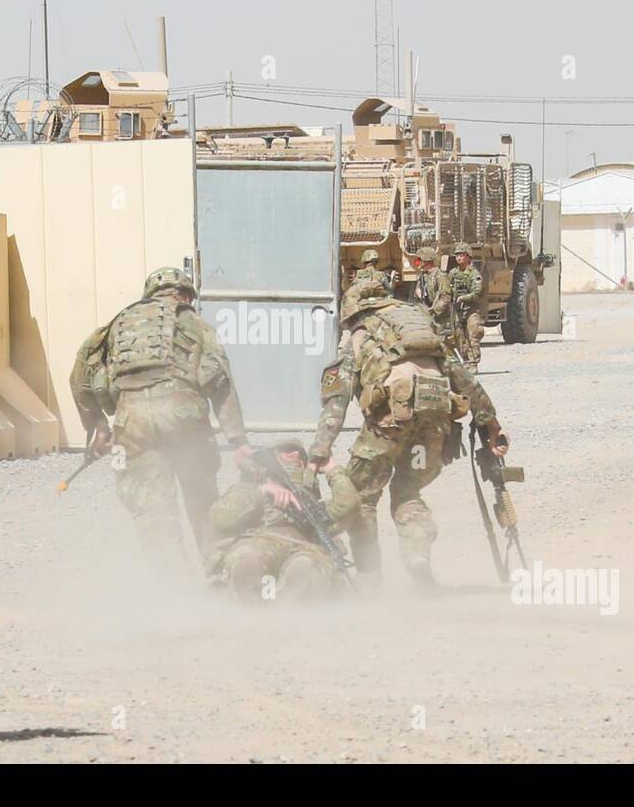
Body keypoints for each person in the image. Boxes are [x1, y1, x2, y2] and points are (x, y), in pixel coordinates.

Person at [309, 279, 505, 590]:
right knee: (408, 494)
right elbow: (464, 379)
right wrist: (491, 425)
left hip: (389, 421)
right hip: (436, 419)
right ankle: (417, 558)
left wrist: (320, 448)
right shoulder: (420, 327)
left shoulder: (360, 335)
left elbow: (337, 401)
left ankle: (370, 576)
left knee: (362, 499)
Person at [75, 266, 251, 574]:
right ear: (184, 295)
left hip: (132, 424)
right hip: (184, 418)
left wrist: (99, 427)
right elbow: (219, 380)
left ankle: (176, 596)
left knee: (153, 510)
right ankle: (218, 576)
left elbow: (79, 377)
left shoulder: (116, 324)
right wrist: (238, 440)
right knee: (203, 500)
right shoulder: (194, 322)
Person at [204, 441, 358, 603]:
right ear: (271, 460)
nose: (296, 454)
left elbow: (348, 505)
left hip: (305, 548)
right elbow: (220, 517)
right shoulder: (250, 487)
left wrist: (332, 469)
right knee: (248, 561)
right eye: (287, 450)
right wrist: (262, 490)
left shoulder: (312, 503)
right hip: (259, 540)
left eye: (301, 454)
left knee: (303, 570)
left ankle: (280, 618)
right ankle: (253, 618)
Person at [448, 243, 485, 364]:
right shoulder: (453, 273)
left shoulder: (474, 274)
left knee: (473, 336)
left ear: (468, 257)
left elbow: (477, 293)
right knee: (459, 337)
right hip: (458, 311)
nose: (458, 258)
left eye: (462, 255)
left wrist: (464, 298)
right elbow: (447, 288)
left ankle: (473, 362)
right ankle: (466, 360)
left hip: (471, 310)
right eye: (457, 255)